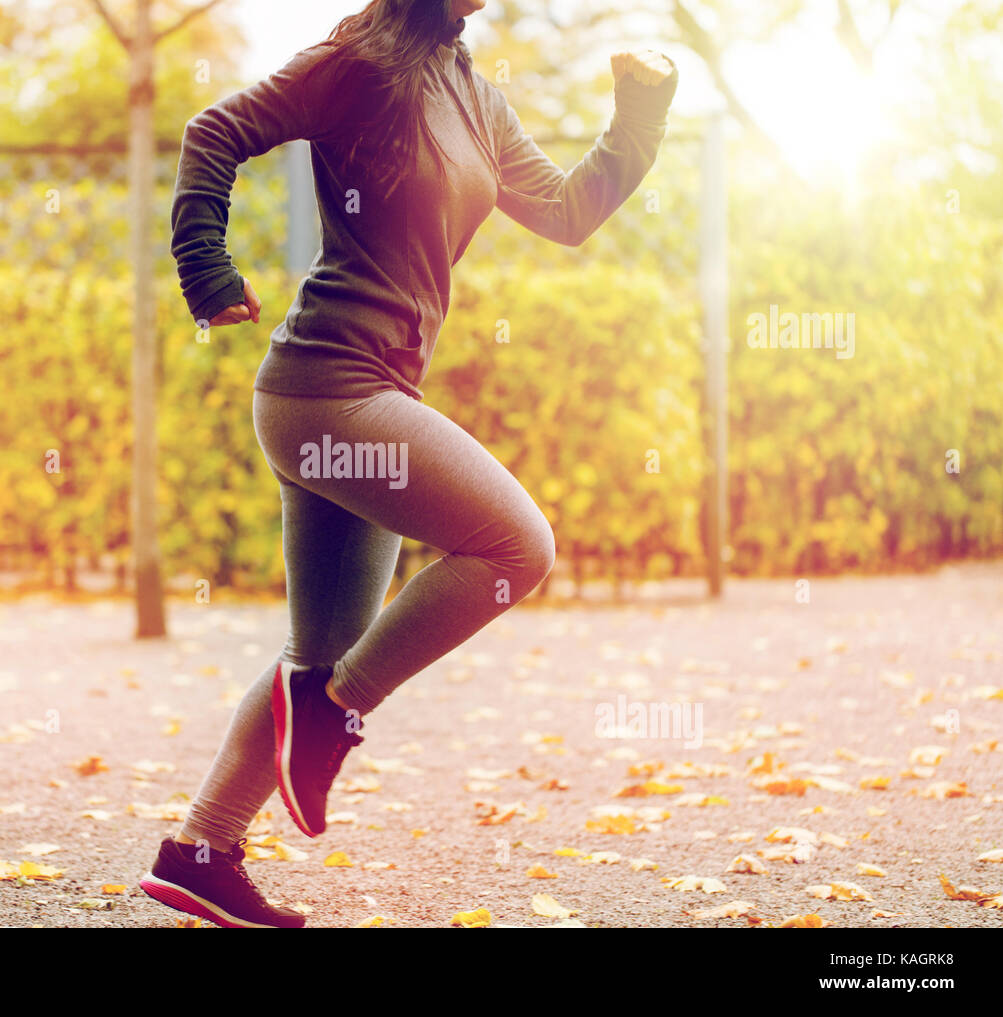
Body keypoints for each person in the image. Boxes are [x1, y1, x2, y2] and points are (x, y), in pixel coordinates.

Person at [140, 0, 678, 928]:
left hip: (367, 392)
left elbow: (565, 211)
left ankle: (200, 849)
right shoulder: (361, 60)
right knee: (518, 546)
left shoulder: (477, 97)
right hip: (328, 390)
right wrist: (206, 270)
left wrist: (640, 110)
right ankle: (334, 713)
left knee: (314, 655)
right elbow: (215, 129)